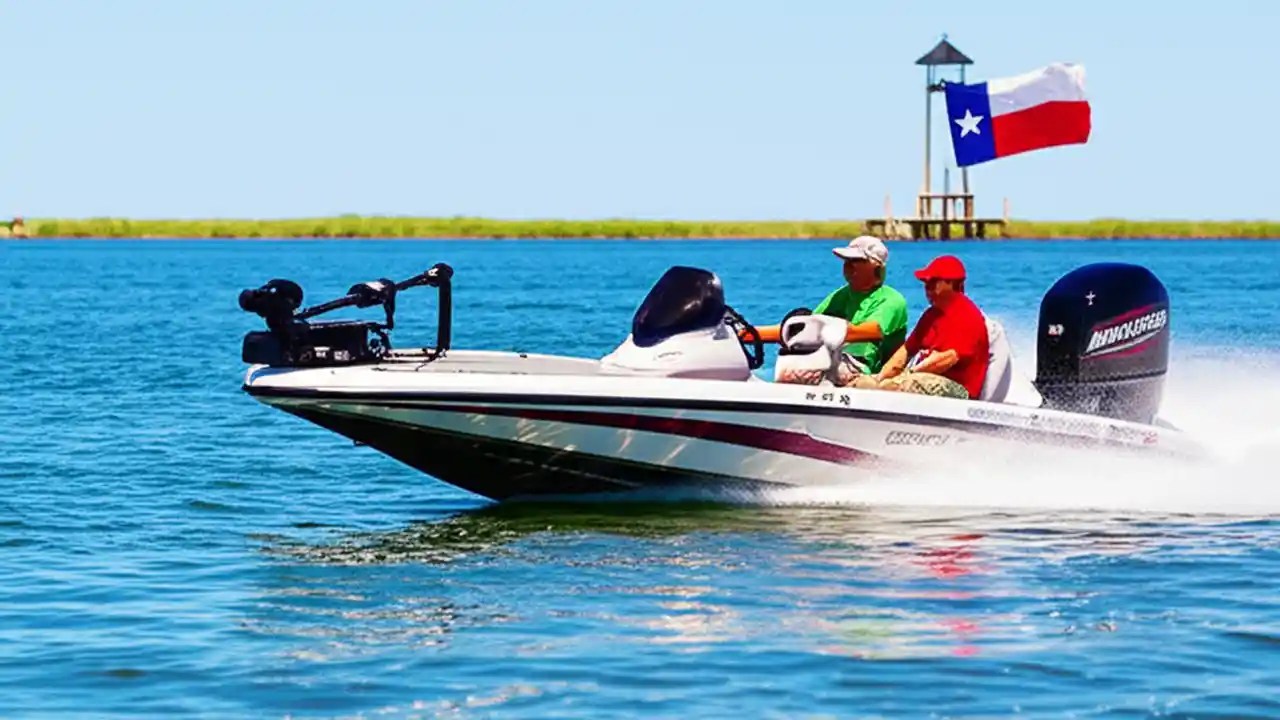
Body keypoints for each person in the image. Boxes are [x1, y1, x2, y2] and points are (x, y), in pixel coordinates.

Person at [771, 235, 909, 385]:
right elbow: (806, 327)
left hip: (865, 369)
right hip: (835, 359)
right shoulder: (841, 295)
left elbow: (872, 330)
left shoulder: (892, 300)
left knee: (807, 371)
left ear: (876, 267)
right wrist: (749, 334)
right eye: (846, 261)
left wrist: (825, 331)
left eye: (856, 261)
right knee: (787, 372)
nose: (849, 266)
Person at [857, 254, 990, 399]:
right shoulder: (931, 315)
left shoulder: (967, 315)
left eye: (932, 283)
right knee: (864, 383)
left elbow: (946, 359)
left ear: (952, 284)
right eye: (925, 284)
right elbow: (906, 350)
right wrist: (880, 377)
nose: (927, 290)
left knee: (900, 385)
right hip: (924, 379)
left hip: (959, 390)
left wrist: (907, 374)